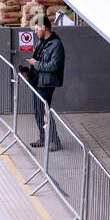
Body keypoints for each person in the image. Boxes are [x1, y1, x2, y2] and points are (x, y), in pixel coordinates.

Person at [25, 18, 65, 150]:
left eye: (37, 29)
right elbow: (36, 61)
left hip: (46, 84)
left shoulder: (56, 45)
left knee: (44, 112)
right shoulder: (40, 43)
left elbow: (54, 65)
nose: (35, 32)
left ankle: (54, 141)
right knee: (38, 112)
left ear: (44, 28)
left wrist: (35, 64)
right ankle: (43, 137)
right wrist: (28, 71)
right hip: (36, 82)